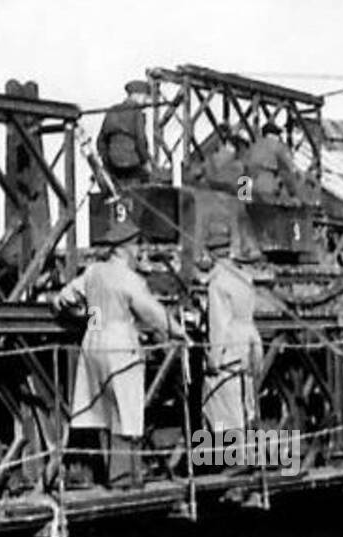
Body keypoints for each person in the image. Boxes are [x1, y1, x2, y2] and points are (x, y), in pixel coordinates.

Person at [52, 219, 184, 489]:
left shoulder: (93, 272)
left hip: (93, 342)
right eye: (136, 247)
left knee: (101, 411)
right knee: (127, 410)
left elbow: (63, 298)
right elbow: (151, 311)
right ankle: (124, 478)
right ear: (125, 249)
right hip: (121, 346)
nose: (139, 253)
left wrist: (84, 315)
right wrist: (179, 331)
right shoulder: (129, 278)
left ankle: (110, 472)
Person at [201, 222, 263, 455]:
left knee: (222, 405)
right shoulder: (243, 278)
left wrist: (213, 359)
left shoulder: (217, 284)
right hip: (248, 343)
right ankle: (250, 453)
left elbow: (218, 325)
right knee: (246, 403)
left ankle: (232, 459)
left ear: (209, 253)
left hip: (228, 350)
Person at [98, 80, 152, 189]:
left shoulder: (112, 110)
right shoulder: (137, 113)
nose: (146, 101)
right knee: (150, 182)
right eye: (145, 97)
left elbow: (101, 141)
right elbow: (140, 141)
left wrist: (107, 163)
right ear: (138, 96)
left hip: (113, 165)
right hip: (132, 164)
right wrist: (146, 162)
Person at [244, 123, 299, 202]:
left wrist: (243, 193)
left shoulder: (254, 144)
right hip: (266, 181)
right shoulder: (277, 145)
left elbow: (246, 165)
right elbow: (288, 165)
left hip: (249, 181)